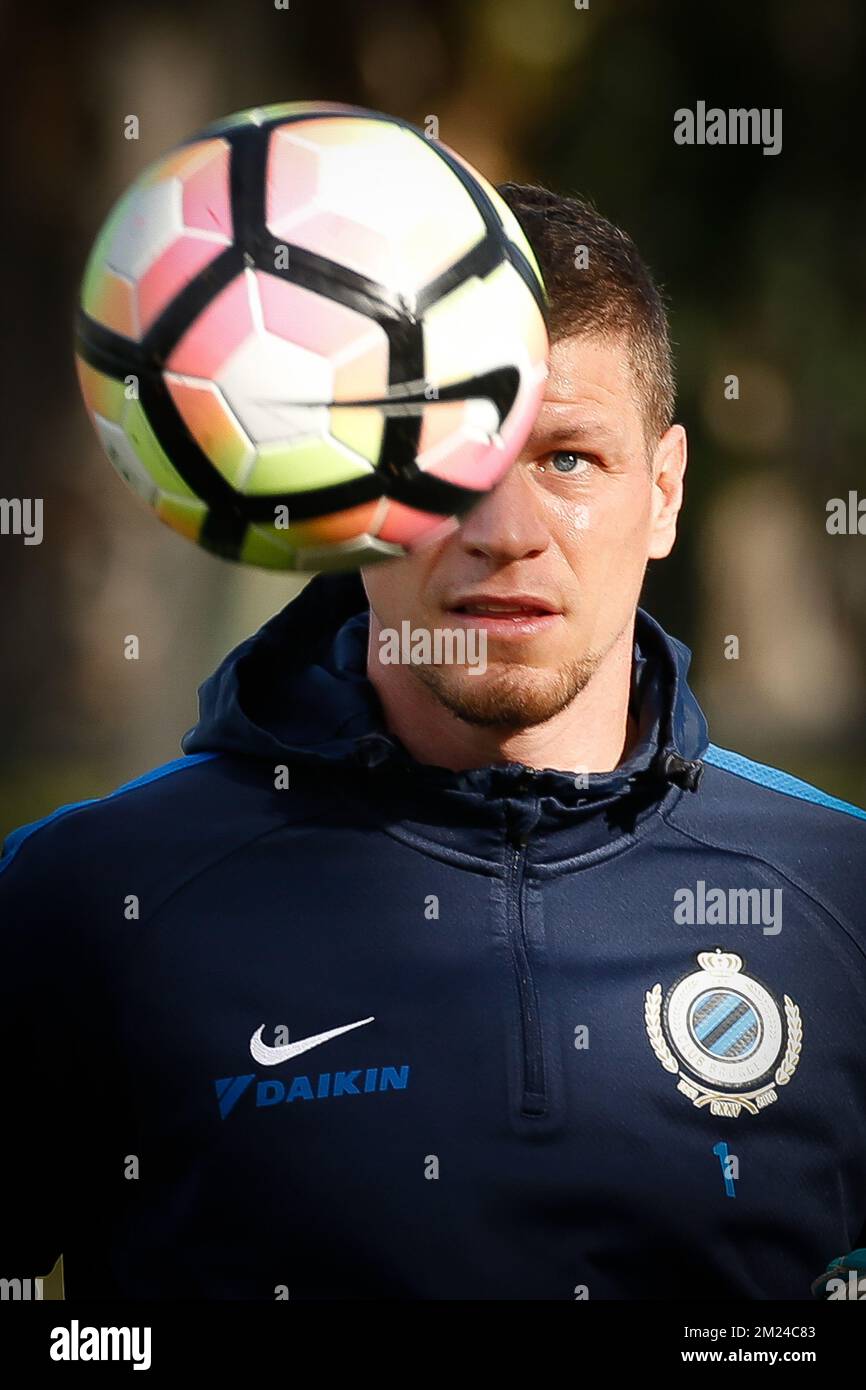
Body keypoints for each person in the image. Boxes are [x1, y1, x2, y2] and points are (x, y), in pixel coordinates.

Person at [2, 184, 865, 1302]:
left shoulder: (839, 894)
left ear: (662, 493)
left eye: (566, 460)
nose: (502, 532)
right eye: (443, 461)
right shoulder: (87, 901)